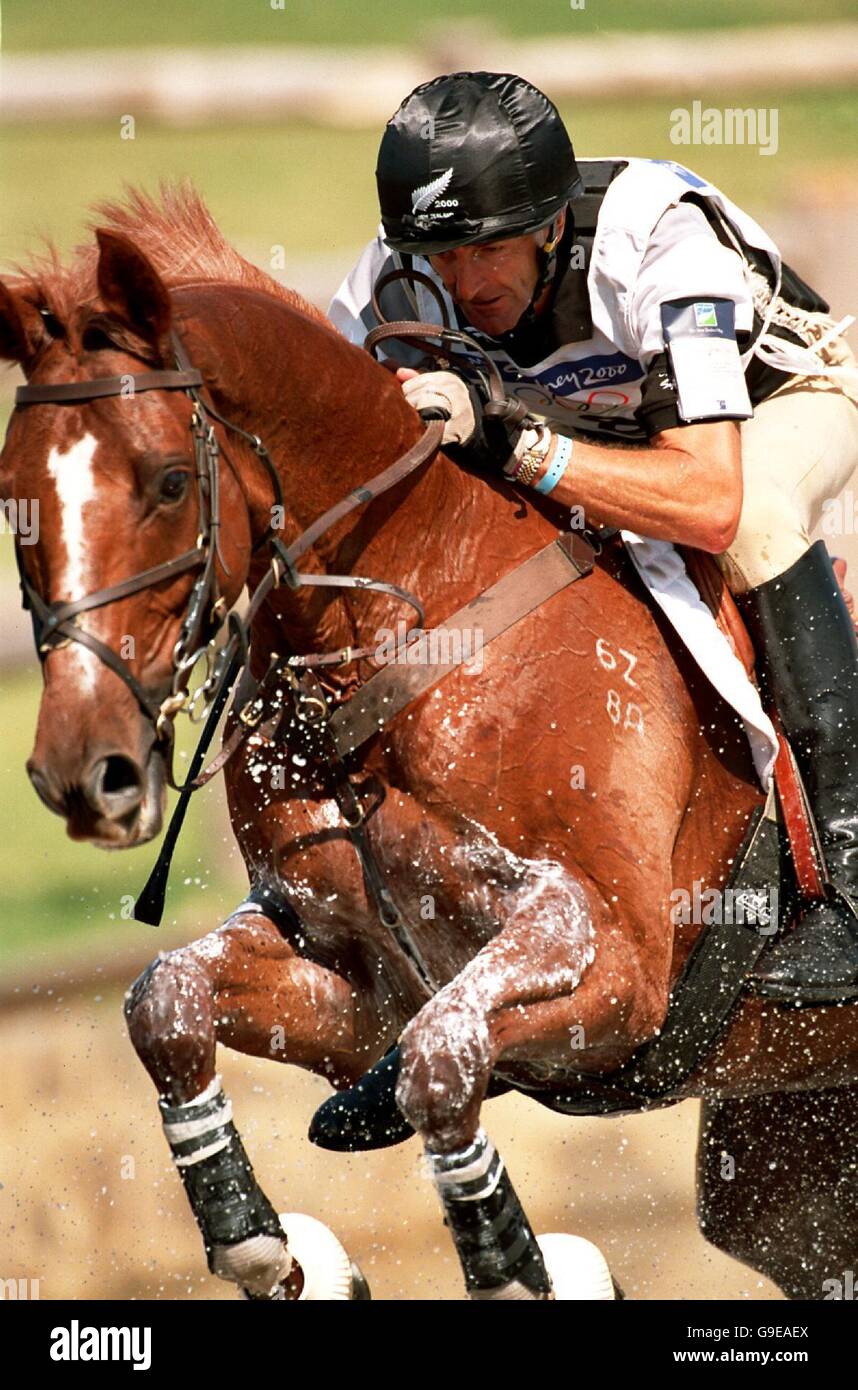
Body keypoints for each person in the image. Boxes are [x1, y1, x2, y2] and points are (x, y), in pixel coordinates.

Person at [328, 70, 858, 1005]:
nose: (460, 285)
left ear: (548, 223)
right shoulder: (393, 276)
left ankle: (849, 887)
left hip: (770, 410)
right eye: (438, 256)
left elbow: (708, 500)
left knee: (760, 525)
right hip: (586, 436)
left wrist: (520, 447)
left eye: (485, 252)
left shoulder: (655, 238)